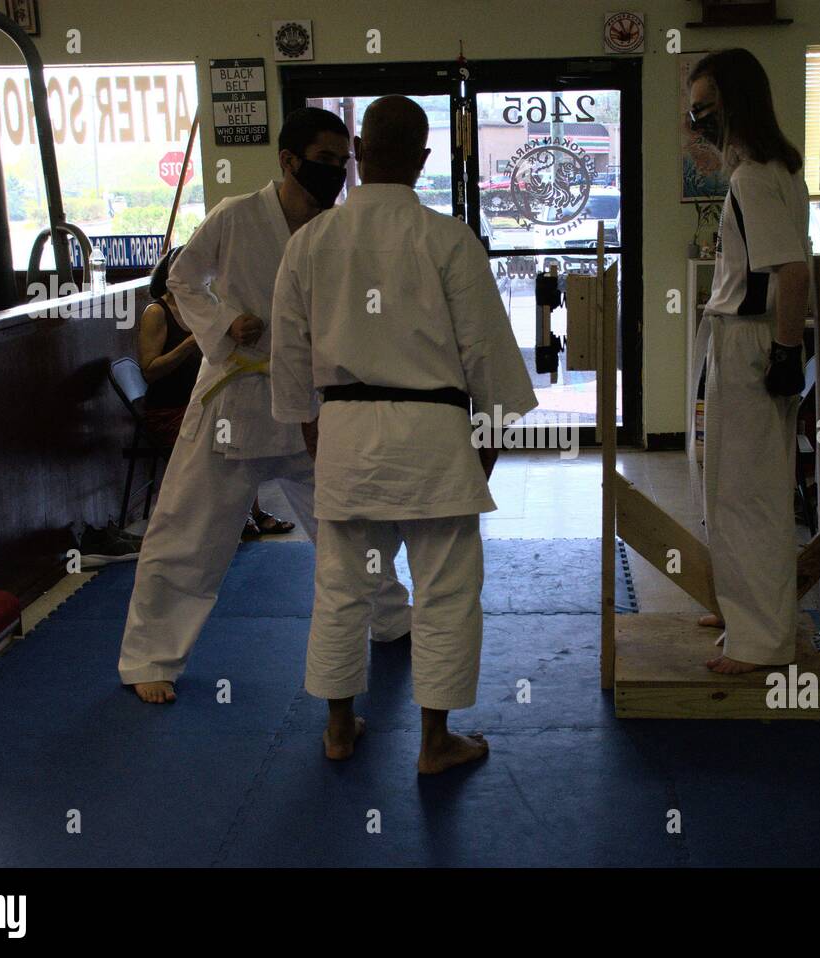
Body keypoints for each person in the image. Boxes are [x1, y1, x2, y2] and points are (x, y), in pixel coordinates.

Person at [270, 95, 537, 774]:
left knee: (339, 586)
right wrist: (483, 455)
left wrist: (315, 434)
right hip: (434, 436)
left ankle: (336, 728)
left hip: (347, 432)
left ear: (357, 150)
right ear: (423, 160)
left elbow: (291, 360)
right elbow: (490, 364)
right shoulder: (448, 240)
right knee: (445, 592)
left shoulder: (310, 243)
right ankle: (435, 742)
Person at [118, 107, 411, 705]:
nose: (334, 171)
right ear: (288, 159)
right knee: (186, 532)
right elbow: (183, 280)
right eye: (325, 160)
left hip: (308, 402)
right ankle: (151, 655)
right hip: (236, 397)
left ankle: (390, 617)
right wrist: (225, 323)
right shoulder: (236, 215)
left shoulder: (339, 230)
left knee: (353, 521)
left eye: (342, 161)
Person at [685, 50, 812, 675]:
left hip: (754, 343)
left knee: (749, 495)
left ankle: (761, 642)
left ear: (736, 104)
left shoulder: (755, 178)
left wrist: (786, 354)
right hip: (744, 339)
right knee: (730, 486)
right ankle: (743, 610)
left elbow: (793, 272)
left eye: (707, 107)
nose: (699, 118)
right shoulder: (776, 169)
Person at [138, 247, 295, 540]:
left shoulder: (210, 310)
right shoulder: (157, 312)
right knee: (221, 433)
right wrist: (191, 342)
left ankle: (251, 511)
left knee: (241, 420)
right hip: (169, 409)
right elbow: (149, 369)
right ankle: (233, 515)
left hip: (199, 402)